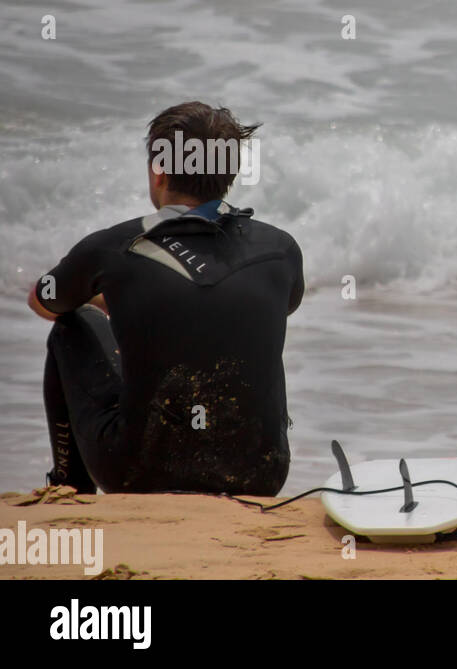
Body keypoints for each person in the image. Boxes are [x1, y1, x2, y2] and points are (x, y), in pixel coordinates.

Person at [27, 101, 303, 495]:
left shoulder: (112, 248)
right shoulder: (281, 249)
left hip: (139, 472)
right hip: (260, 475)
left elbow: (43, 302)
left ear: (159, 171)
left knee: (73, 324)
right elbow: (275, 306)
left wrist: (107, 299)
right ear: (230, 173)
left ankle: (68, 487)